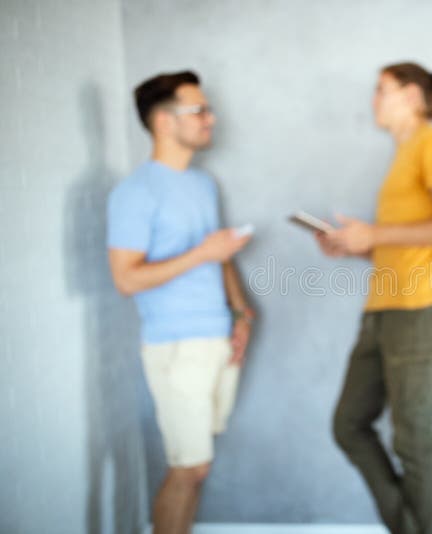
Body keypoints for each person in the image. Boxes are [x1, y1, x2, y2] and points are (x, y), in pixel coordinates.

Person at [316, 62, 432, 534]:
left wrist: (374, 232)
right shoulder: (403, 153)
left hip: (416, 309)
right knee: (349, 424)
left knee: (412, 440)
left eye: (380, 90)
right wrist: (357, 245)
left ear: (410, 95)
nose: (373, 100)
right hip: (382, 309)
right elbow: (406, 242)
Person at [107, 71, 255, 534]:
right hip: (174, 346)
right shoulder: (135, 192)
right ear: (164, 122)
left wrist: (241, 313)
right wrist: (203, 253)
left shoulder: (202, 184)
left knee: (198, 467)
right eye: (200, 111)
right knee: (188, 468)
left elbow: (220, 256)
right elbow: (126, 279)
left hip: (217, 338)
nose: (211, 118)